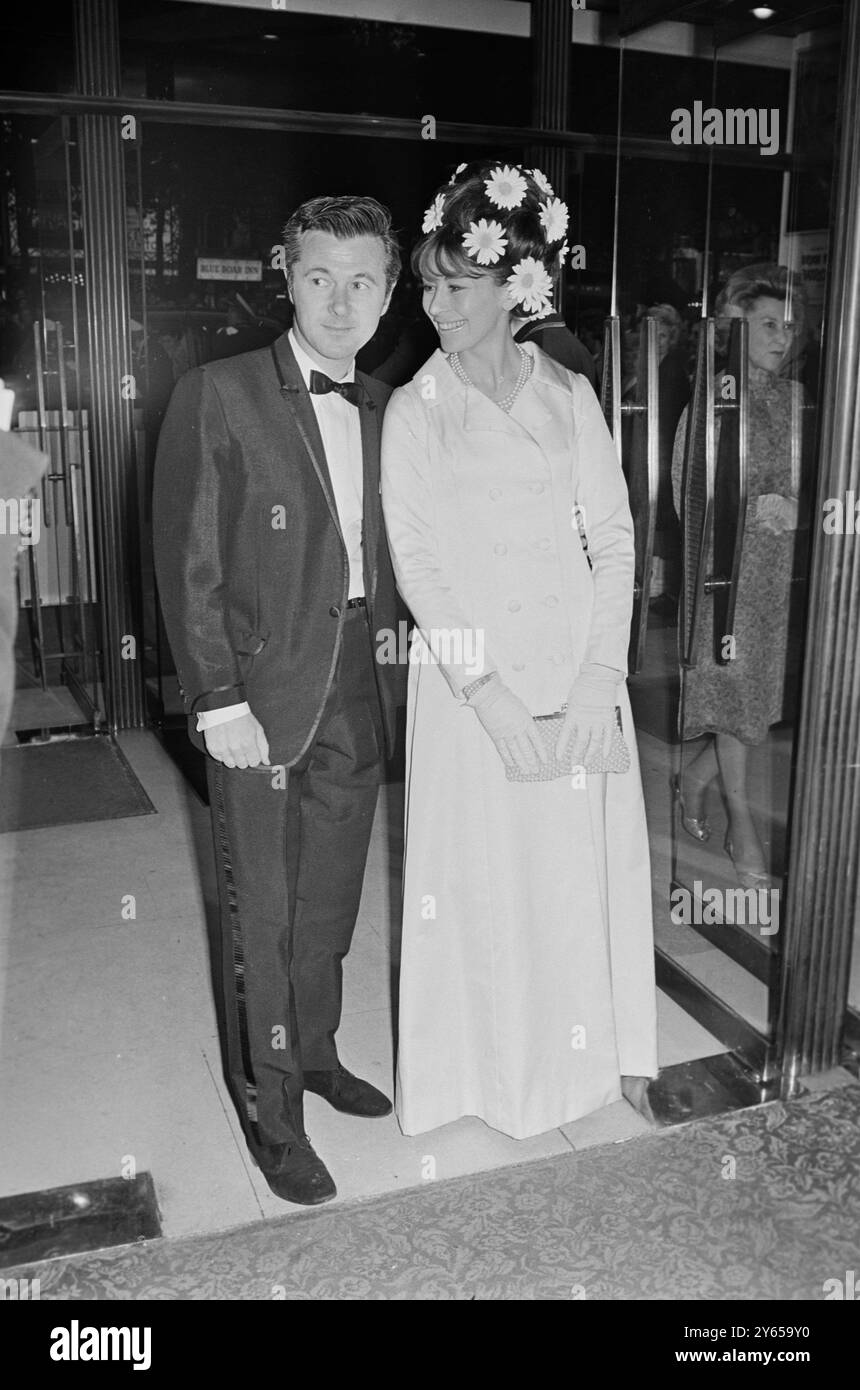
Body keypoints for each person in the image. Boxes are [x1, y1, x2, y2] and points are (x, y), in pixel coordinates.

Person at [381, 161, 658, 1140]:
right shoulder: (415, 410)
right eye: (427, 285)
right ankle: (486, 1079)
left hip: (572, 671)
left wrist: (599, 673)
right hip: (473, 689)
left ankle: (584, 1065)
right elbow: (416, 563)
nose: (433, 303)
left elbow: (613, 539)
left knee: (568, 873)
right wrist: (484, 689)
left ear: (511, 288)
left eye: (452, 286)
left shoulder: (567, 394)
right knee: (484, 881)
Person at [153, 195, 405, 1205]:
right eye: (317, 278)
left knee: (329, 902)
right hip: (255, 695)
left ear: (389, 293)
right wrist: (215, 696)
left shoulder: (393, 404)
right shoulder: (217, 392)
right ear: (283, 277)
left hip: (359, 685)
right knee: (261, 909)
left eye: (361, 281)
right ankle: (269, 1110)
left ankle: (314, 1052)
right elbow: (187, 557)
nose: (339, 302)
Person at [671, 264, 809, 889]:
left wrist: (796, 510)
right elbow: (687, 494)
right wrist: (752, 513)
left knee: (751, 705)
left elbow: (811, 484)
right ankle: (743, 828)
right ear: (736, 328)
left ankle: (697, 776)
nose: (781, 337)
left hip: (776, 581)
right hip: (726, 581)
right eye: (766, 324)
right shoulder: (716, 397)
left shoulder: (794, 398)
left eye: (788, 326)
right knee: (736, 702)